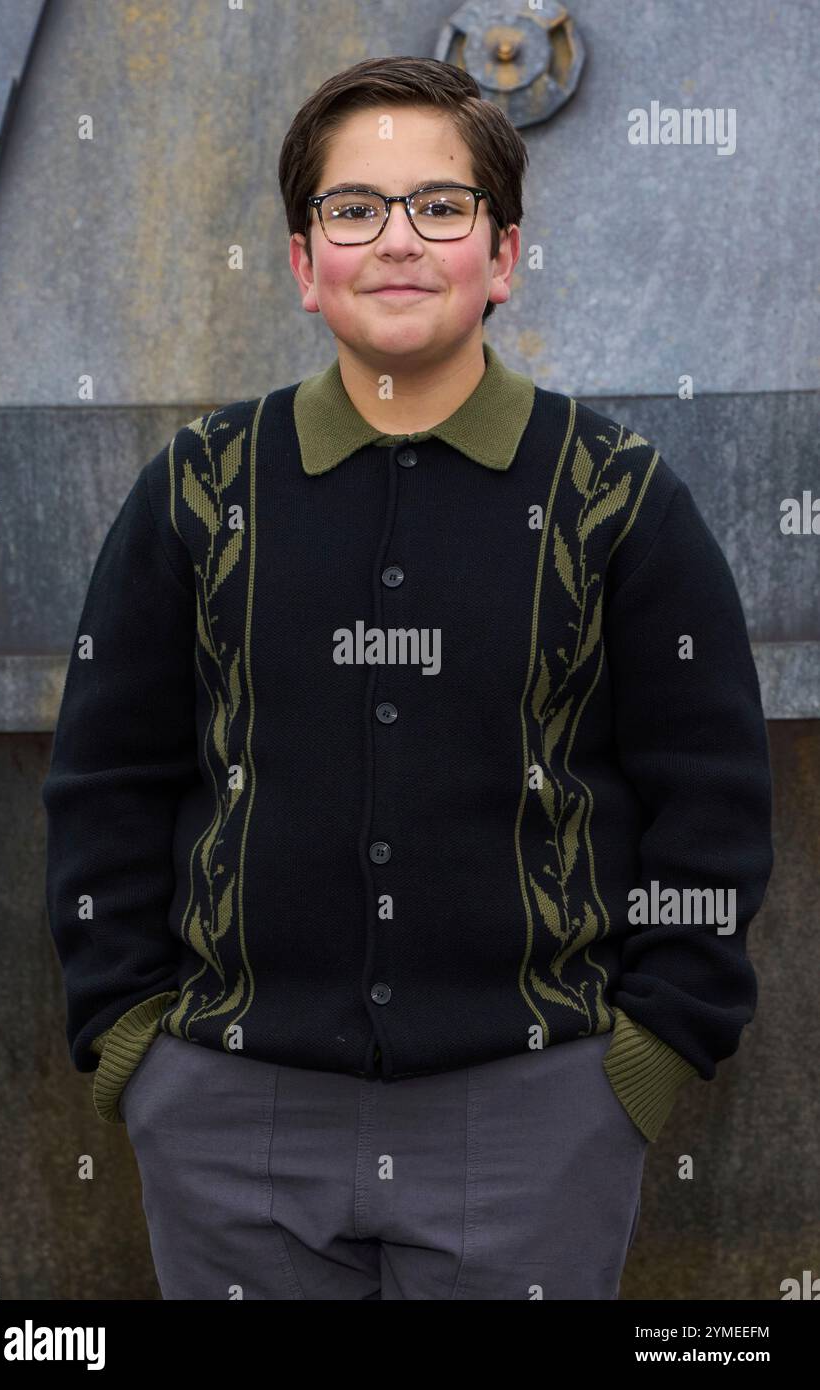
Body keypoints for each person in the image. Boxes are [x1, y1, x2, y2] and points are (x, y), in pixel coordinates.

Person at [42, 55, 774, 1300]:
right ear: (299, 262)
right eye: (353, 208)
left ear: (501, 257)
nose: (396, 240)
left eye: (440, 207)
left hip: (536, 1119)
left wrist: (641, 1064)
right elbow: (106, 779)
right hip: (229, 1118)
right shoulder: (199, 490)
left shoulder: (616, 496)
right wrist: (133, 1050)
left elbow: (708, 798)